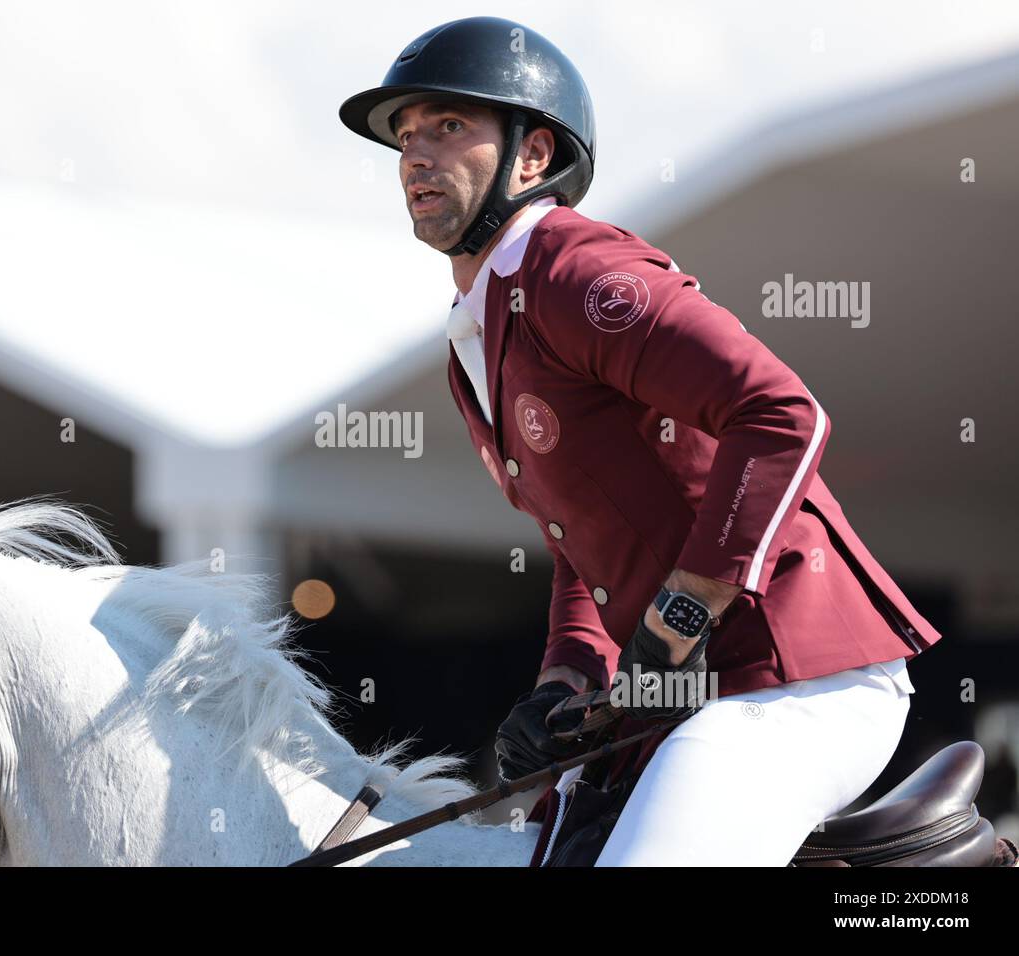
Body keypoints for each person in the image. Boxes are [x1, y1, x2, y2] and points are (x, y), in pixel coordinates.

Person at [339, 16, 942, 865]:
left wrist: (688, 600)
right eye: (403, 137)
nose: (415, 156)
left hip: (800, 676)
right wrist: (566, 677)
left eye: (447, 126)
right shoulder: (477, 334)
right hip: (675, 692)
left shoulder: (574, 271)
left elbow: (781, 413)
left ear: (534, 156)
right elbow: (581, 545)